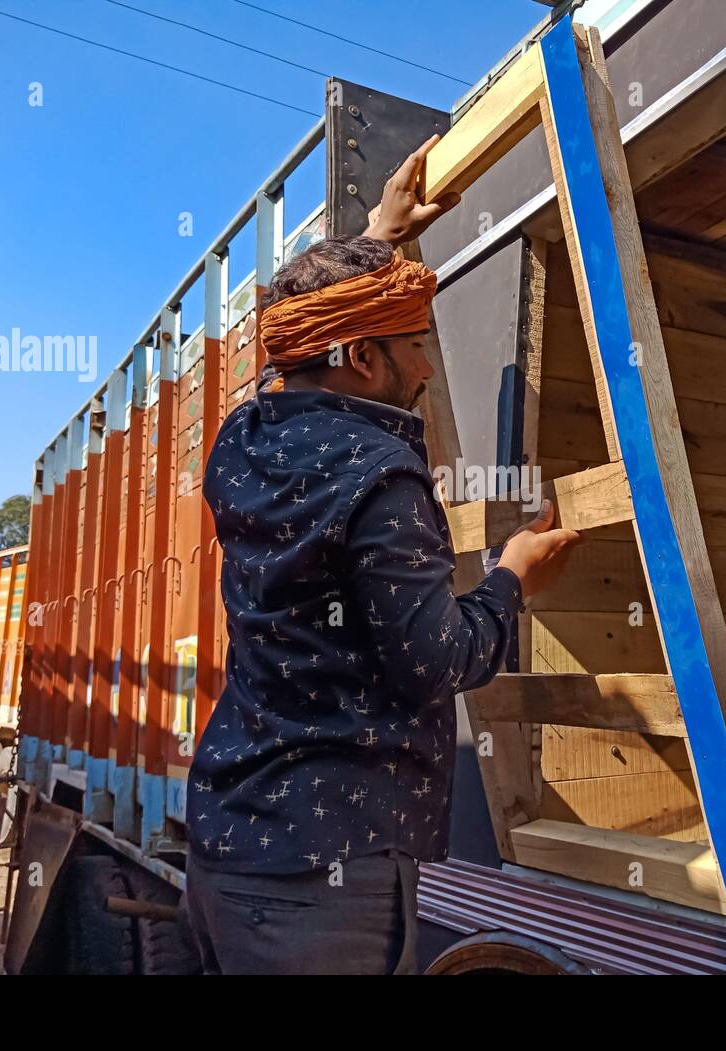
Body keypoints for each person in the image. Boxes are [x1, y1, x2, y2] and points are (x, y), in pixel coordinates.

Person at [183, 135, 580, 974]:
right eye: (414, 342)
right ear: (363, 358)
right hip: (325, 879)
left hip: (233, 843)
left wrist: (378, 239)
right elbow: (436, 658)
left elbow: (300, 341)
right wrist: (514, 575)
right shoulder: (381, 476)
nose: (428, 364)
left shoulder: (240, 440)